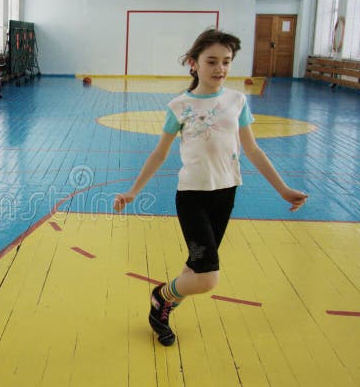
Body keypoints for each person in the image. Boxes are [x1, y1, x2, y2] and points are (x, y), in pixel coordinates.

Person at [113, 29, 308, 347]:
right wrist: (133, 191)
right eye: (212, 61)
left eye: (227, 62)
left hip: (226, 193)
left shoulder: (237, 100)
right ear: (193, 63)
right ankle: (161, 297)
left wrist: (282, 189)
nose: (220, 68)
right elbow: (159, 153)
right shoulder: (179, 106)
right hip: (192, 197)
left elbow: (253, 150)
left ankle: (161, 313)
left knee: (195, 267)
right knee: (206, 279)